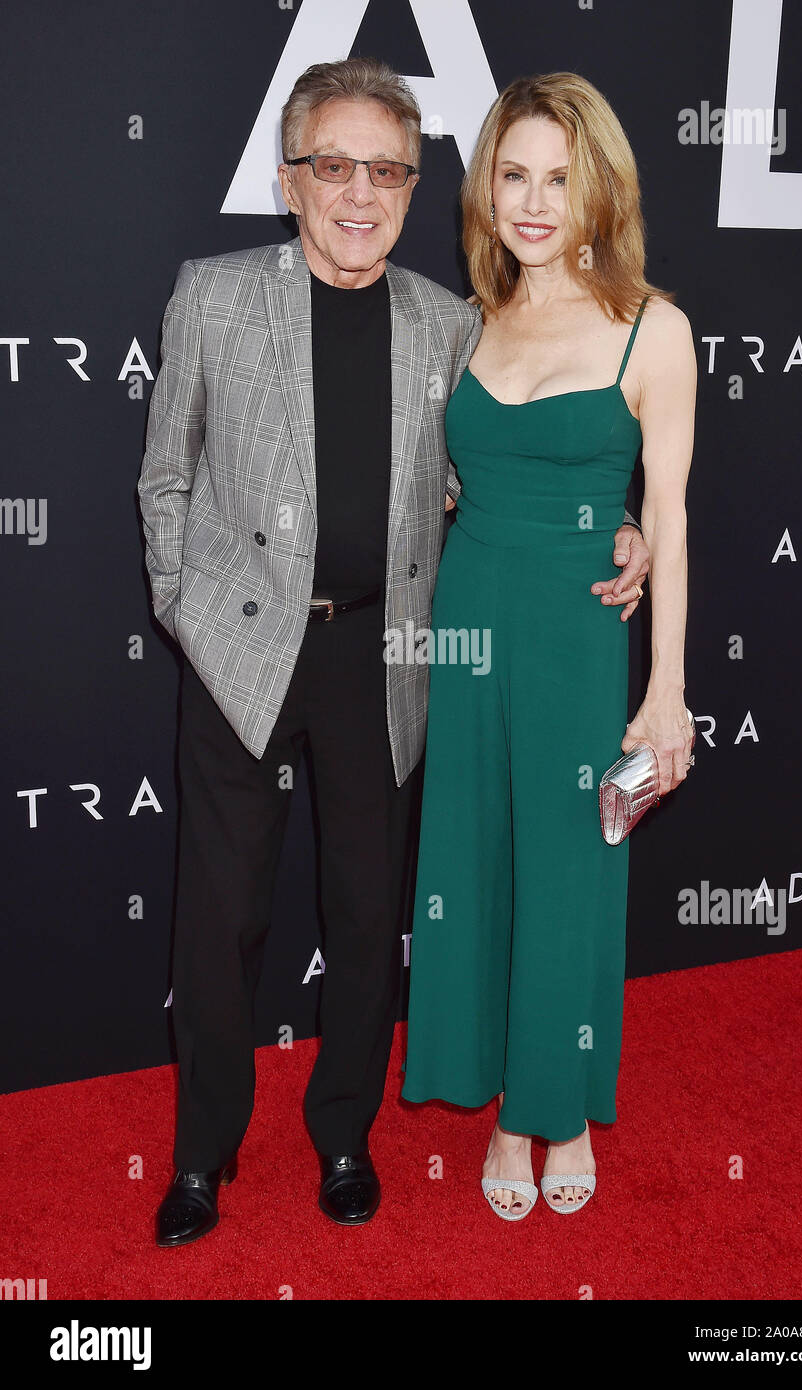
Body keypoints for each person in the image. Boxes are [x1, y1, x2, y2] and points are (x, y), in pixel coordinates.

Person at [137, 58, 650, 1245]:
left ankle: (344, 1138)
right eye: (335, 165)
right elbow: (164, 476)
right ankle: (202, 1158)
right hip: (243, 655)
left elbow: (499, 474)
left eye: (387, 170)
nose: (359, 193)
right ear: (290, 178)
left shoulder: (447, 320)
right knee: (220, 924)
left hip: (392, 658)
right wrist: (186, 604)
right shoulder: (211, 298)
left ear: (415, 188)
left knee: (369, 917)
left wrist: (613, 522)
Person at [401, 72, 696, 1219]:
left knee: (571, 870)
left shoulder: (654, 328)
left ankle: (553, 1108)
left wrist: (666, 693)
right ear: (486, 190)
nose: (533, 202)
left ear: (599, 190)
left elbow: (666, 517)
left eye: (559, 180)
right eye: (513, 176)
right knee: (472, 863)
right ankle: (494, 1090)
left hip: (579, 631)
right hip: (469, 624)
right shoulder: (464, 318)